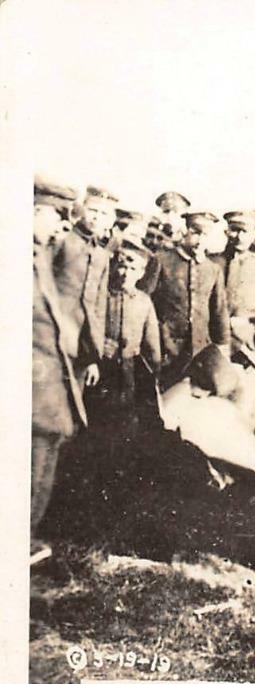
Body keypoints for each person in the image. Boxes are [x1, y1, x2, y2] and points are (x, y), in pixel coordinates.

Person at [32, 179, 85, 535]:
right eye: (56, 216)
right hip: (30, 396)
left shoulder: (39, 257)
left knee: (40, 472)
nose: (63, 225)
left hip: (44, 397)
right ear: (33, 211)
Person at [83, 237, 162, 429]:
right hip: (103, 367)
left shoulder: (143, 301)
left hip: (129, 371)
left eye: (133, 269)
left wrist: (154, 372)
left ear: (142, 273)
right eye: (122, 267)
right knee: (97, 418)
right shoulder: (103, 295)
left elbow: (152, 345)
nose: (126, 274)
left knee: (126, 422)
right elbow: (89, 327)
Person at [149, 212, 230, 386]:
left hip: (199, 349)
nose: (200, 241)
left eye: (206, 235)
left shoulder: (213, 269)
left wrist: (223, 345)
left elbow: (219, 311)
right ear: (185, 231)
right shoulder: (162, 261)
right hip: (165, 347)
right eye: (195, 233)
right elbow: (144, 301)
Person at [52, 187, 117, 364]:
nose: (97, 217)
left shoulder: (102, 255)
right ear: (81, 210)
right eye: (93, 210)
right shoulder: (62, 240)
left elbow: (99, 305)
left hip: (83, 345)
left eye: (104, 214)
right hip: (53, 335)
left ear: (110, 221)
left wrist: (94, 357)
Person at [219, 212, 255, 354]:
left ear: (253, 235)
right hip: (214, 336)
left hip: (244, 338)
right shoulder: (212, 262)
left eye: (245, 232)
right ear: (226, 232)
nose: (240, 237)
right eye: (234, 230)